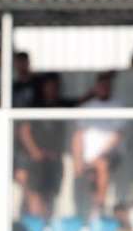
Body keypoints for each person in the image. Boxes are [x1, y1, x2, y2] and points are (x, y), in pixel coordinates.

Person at [15, 73, 72, 218]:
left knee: (50, 194)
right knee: (34, 193)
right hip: (37, 160)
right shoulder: (35, 106)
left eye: (55, 86)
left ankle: (46, 226)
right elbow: (24, 130)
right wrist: (35, 152)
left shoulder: (61, 105)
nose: (52, 89)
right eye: (49, 86)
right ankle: (36, 226)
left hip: (54, 159)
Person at [72, 71, 126, 214]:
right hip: (88, 157)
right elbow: (78, 135)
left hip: (109, 154)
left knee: (102, 165)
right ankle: (85, 213)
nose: (104, 88)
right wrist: (78, 161)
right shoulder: (88, 106)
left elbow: (117, 135)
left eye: (106, 85)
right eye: (101, 85)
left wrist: (97, 156)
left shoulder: (118, 106)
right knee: (85, 177)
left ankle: (99, 209)